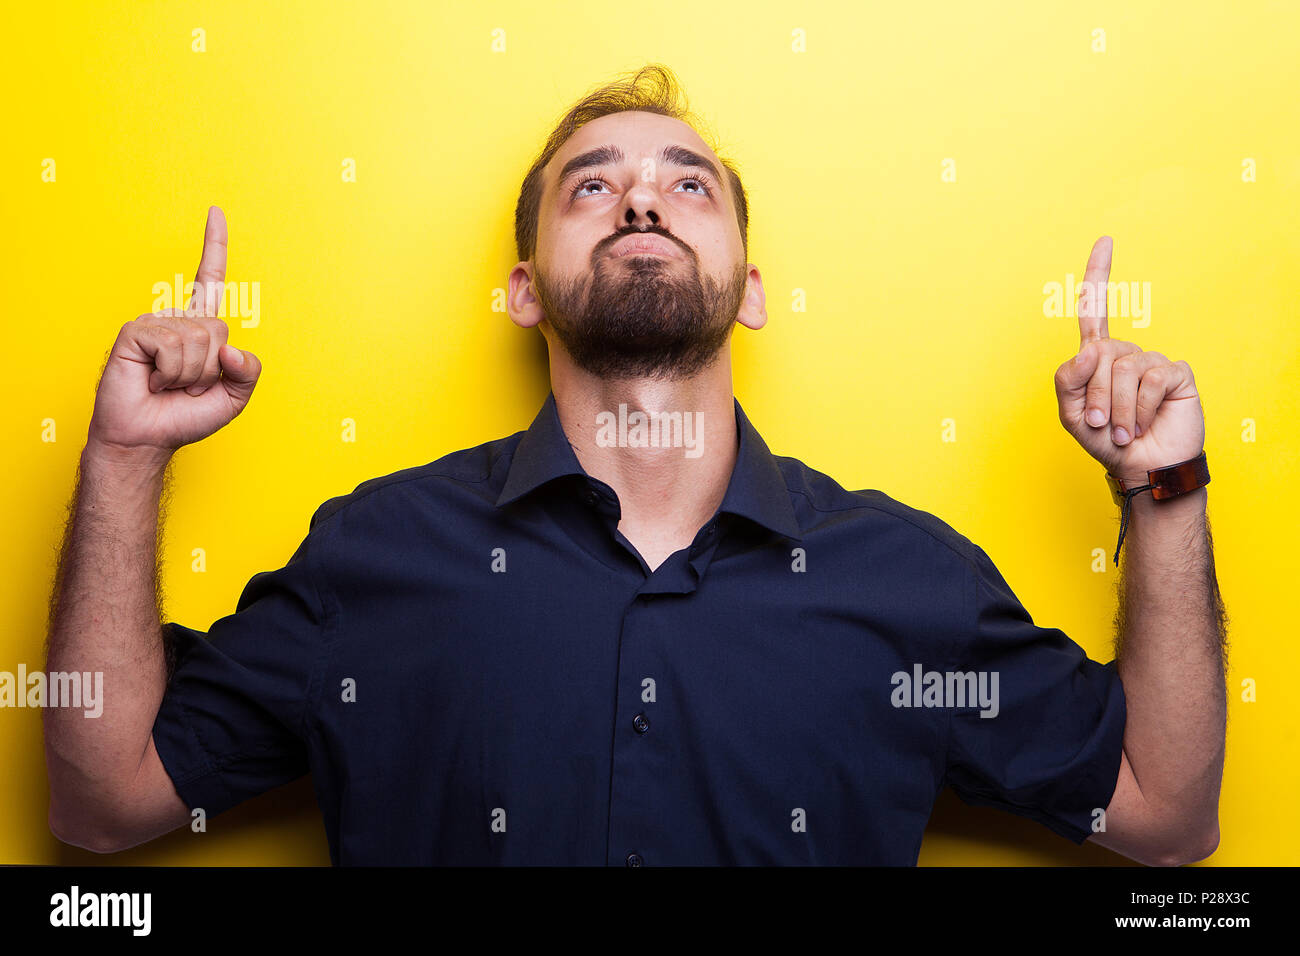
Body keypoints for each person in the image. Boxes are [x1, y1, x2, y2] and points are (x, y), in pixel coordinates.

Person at [44, 65, 1226, 865]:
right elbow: (103, 803)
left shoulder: (905, 579)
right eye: (593, 184)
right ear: (522, 290)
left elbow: (1164, 815)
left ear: (750, 288)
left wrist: (1161, 488)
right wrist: (123, 454)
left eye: (687, 184)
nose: (642, 202)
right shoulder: (374, 552)